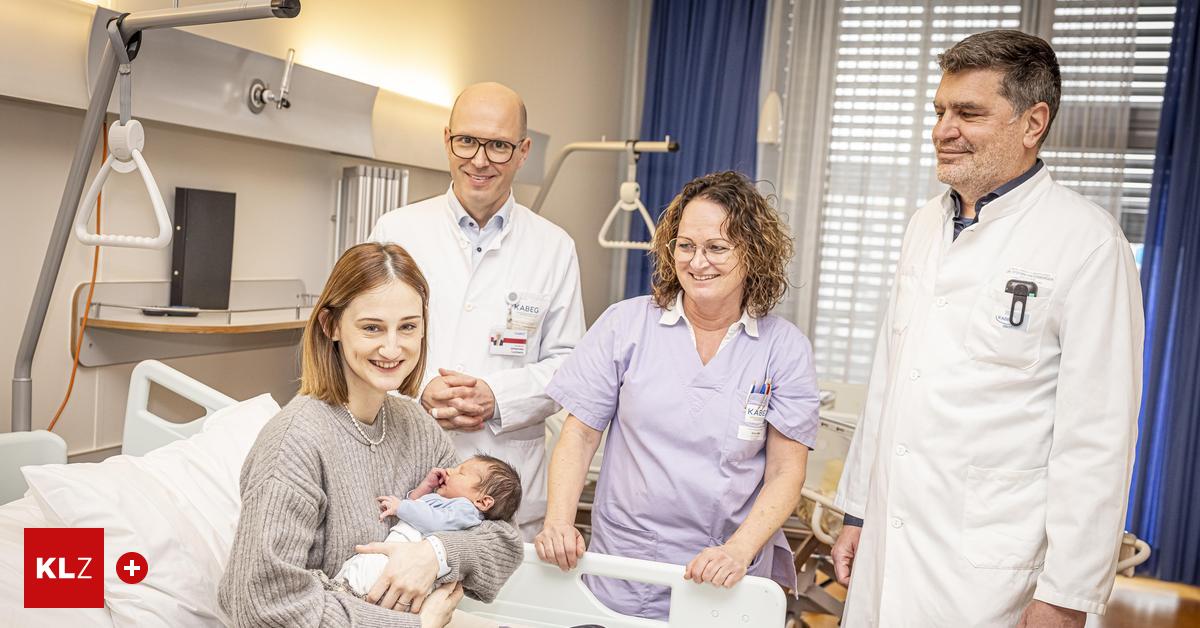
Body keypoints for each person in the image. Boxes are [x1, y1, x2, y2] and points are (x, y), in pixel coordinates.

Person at [830, 30, 1144, 627]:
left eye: (968, 112)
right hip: (888, 552)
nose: (943, 128)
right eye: (940, 110)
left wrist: (1066, 595)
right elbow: (889, 382)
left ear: (1033, 122)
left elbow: (1098, 439)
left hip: (989, 572)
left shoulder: (1088, 243)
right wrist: (857, 512)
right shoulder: (924, 224)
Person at [534, 171, 820, 619]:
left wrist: (738, 550)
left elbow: (786, 470)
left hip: (727, 569)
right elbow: (580, 435)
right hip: (626, 563)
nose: (697, 262)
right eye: (685, 245)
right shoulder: (625, 325)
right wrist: (558, 522)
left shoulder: (783, 348)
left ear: (754, 253)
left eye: (717, 247)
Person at [218, 243, 523, 628]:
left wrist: (435, 554)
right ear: (331, 327)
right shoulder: (294, 444)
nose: (393, 347)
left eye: (408, 326)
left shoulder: (415, 425)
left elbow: (505, 541)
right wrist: (416, 626)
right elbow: (262, 605)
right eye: (372, 327)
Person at [370, 82, 586, 540]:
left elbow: (569, 366)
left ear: (524, 150)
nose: (480, 159)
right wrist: (421, 389)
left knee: (494, 610)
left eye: (499, 146)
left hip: (502, 490)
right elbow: (366, 341)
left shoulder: (554, 247)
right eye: (467, 141)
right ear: (447, 138)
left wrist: (497, 397)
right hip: (406, 475)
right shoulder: (397, 231)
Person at [327, 456, 523, 597]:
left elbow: (431, 520)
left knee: (370, 572)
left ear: (483, 502)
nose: (450, 470)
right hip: (396, 547)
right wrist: (426, 487)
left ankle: (345, 593)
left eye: (460, 472)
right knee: (360, 565)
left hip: (406, 556)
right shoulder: (447, 502)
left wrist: (401, 507)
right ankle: (340, 589)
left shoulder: (466, 511)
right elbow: (417, 506)